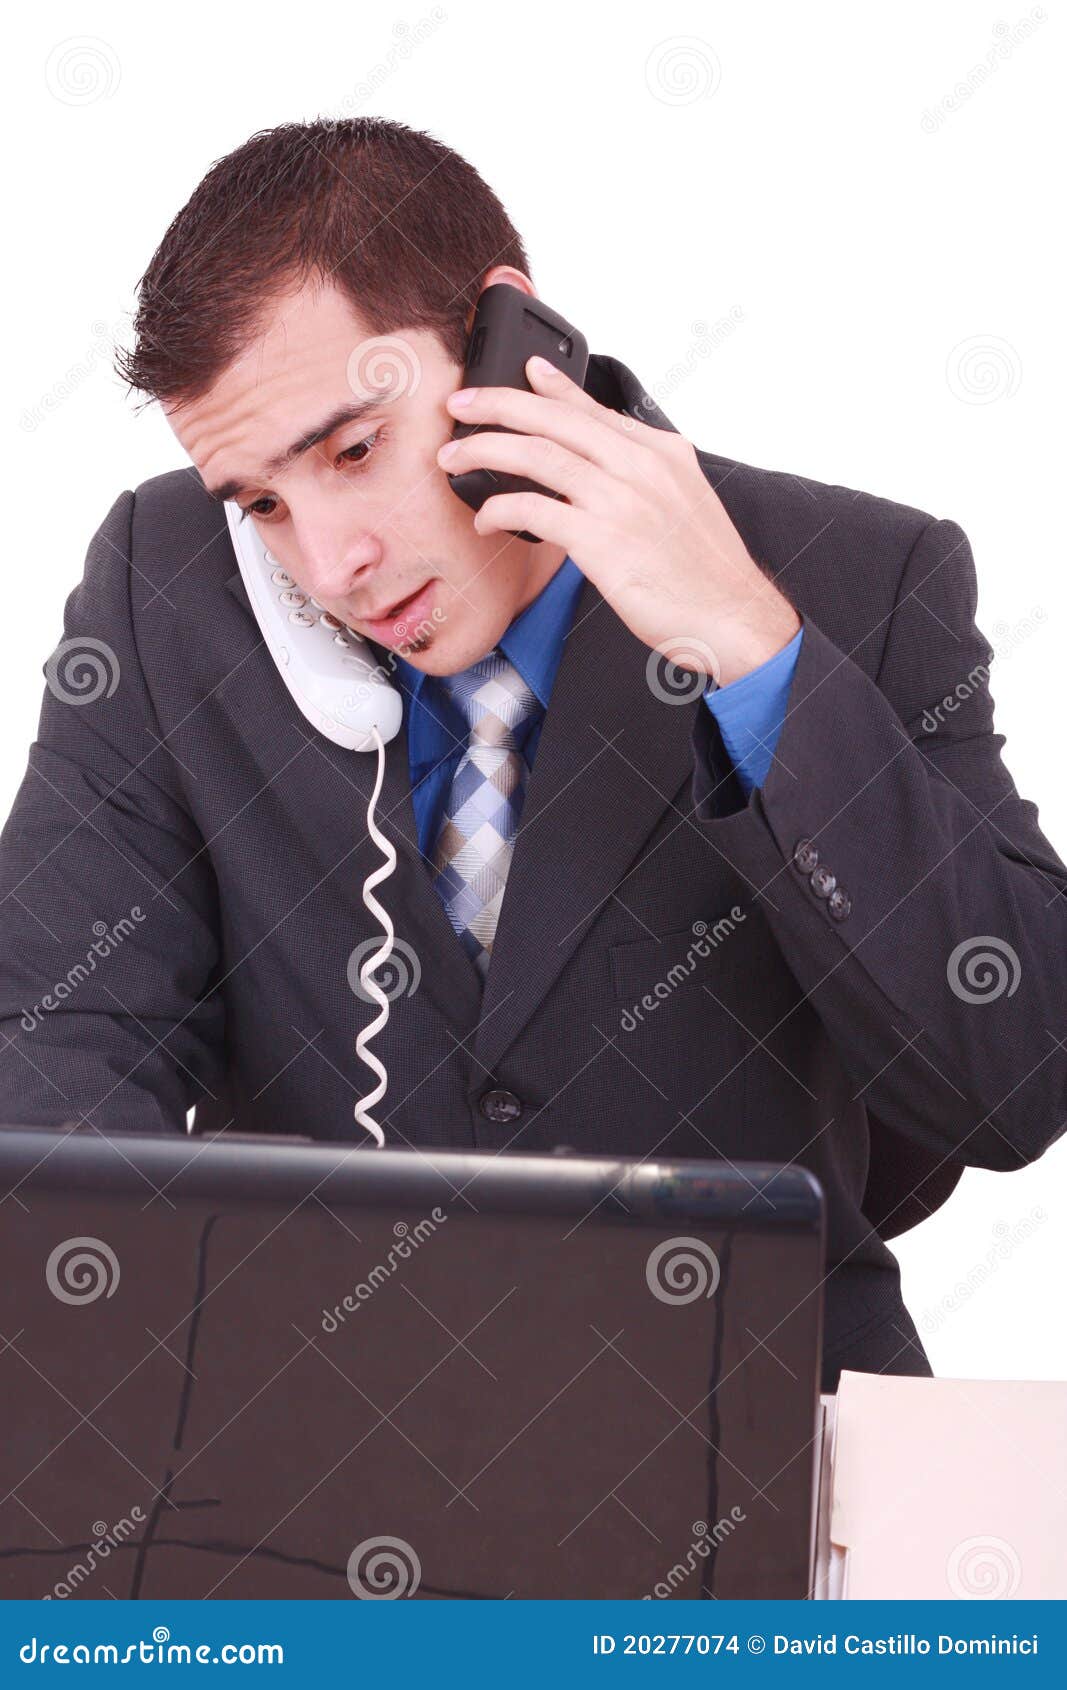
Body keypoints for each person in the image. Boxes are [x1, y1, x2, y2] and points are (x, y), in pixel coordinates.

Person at [2, 117, 1064, 1391]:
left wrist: (747, 643)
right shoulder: (164, 589)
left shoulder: (857, 577)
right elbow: (55, 1054)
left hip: (752, 1446)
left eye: (353, 451)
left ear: (505, 339)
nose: (330, 564)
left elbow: (1012, 1077)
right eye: (266, 503)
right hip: (304, 1469)